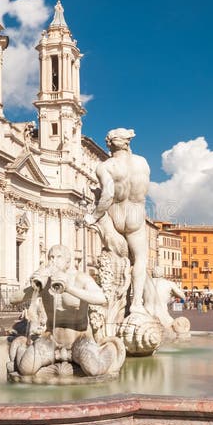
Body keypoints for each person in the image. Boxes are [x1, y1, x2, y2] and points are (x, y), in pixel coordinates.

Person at [85, 128, 150, 314]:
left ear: (108, 144)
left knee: (114, 257)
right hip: (136, 215)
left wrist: (93, 216)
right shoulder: (142, 163)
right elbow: (143, 191)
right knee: (140, 259)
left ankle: (113, 302)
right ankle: (137, 303)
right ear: (128, 142)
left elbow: (107, 195)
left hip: (115, 215)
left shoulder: (105, 166)